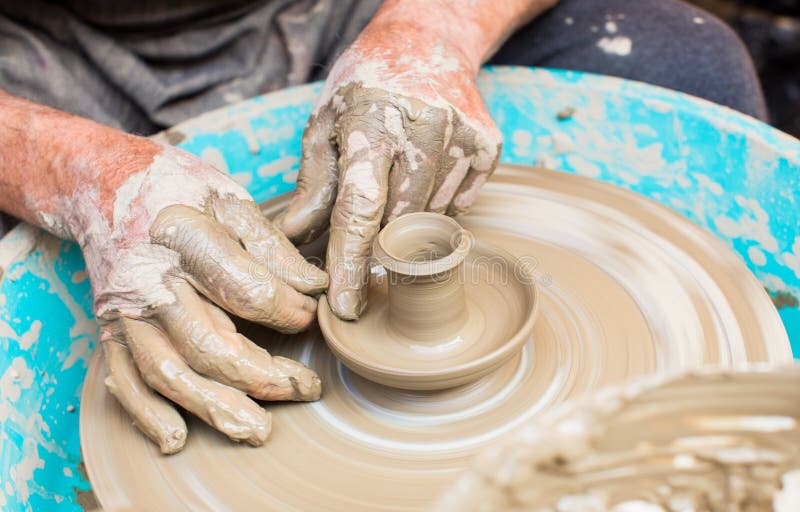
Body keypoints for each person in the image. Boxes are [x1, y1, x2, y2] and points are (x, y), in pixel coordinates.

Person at [0, 0, 766, 453]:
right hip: (33, 62)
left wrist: (436, 29)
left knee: (687, 63)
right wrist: (70, 170)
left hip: (346, 10)